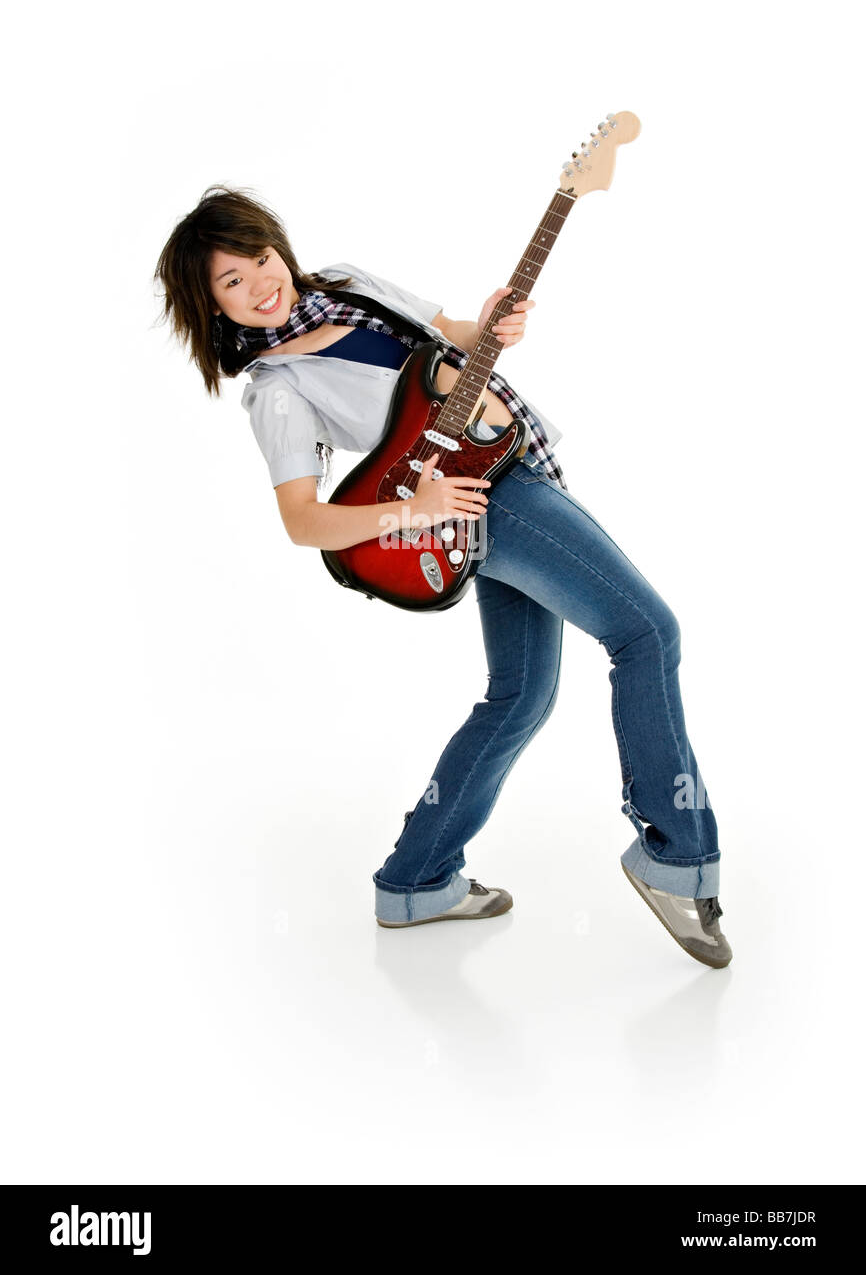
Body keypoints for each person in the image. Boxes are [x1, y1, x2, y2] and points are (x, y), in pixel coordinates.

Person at [153, 184, 731, 969]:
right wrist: (414, 513)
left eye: (259, 257)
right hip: (490, 502)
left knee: (520, 695)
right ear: (212, 306)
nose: (261, 282)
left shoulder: (347, 285)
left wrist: (494, 323)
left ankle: (416, 879)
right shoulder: (278, 390)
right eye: (232, 281)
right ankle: (675, 857)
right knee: (645, 632)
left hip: (510, 463)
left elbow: (450, 335)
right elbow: (303, 521)